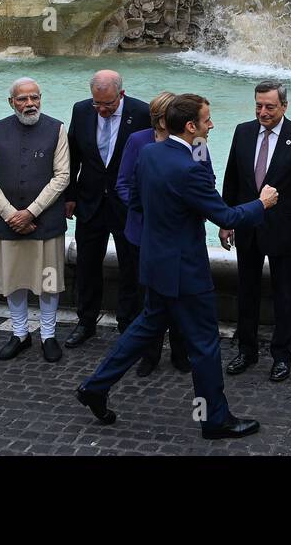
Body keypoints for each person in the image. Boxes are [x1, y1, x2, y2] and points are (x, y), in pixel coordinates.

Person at [77, 94, 275, 440]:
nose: (211, 125)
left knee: (144, 328)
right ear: (190, 126)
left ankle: (95, 386)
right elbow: (226, 216)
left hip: (154, 261)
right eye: (207, 119)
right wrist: (262, 203)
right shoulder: (190, 169)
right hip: (184, 272)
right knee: (204, 344)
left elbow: (137, 202)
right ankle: (215, 420)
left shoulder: (150, 153)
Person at [220, 81, 291, 382]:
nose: (262, 112)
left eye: (269, 107)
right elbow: (232, 179)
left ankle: (281, 356)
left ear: (284, 106)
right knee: (247, 291)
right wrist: (226, 220)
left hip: (284, 230)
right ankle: (246, 351)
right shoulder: (243, 131)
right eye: (258, 106)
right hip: (247, 226)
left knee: (284, 294)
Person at [0, 78, 70, 362]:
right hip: (7, 223)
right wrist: (11, 214)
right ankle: (19, 333)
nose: (30, 104)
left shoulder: (57, 129)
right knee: (14, 280)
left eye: (35, 97)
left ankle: (48, 335)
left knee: (48, 281)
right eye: (23, 99)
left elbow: (62, 176)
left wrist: (31, 212)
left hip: (46, 221)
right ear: (11, 102)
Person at [64, 70, 151, 348]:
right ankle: (86, 322)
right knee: (87, 265)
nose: (101, 109)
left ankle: (127, 326)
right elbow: (72, 155)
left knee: (131, 267)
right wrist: (70, 195)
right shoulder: (81, 110)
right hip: (90, 202)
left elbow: (148, 160)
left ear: (121, 95)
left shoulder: (142, 112)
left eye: (108, 104)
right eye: (97, 103)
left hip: (126, 204)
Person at [113, 90, 190, 375]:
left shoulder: (195, 142)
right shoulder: (137, 141)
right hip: (143, 233)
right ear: (158, 118)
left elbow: (206, 177)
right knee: (148, 296)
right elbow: (122, 183)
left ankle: (181, 353)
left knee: (180, 295)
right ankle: (150, 353)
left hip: (178, 234)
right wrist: (145, 208)